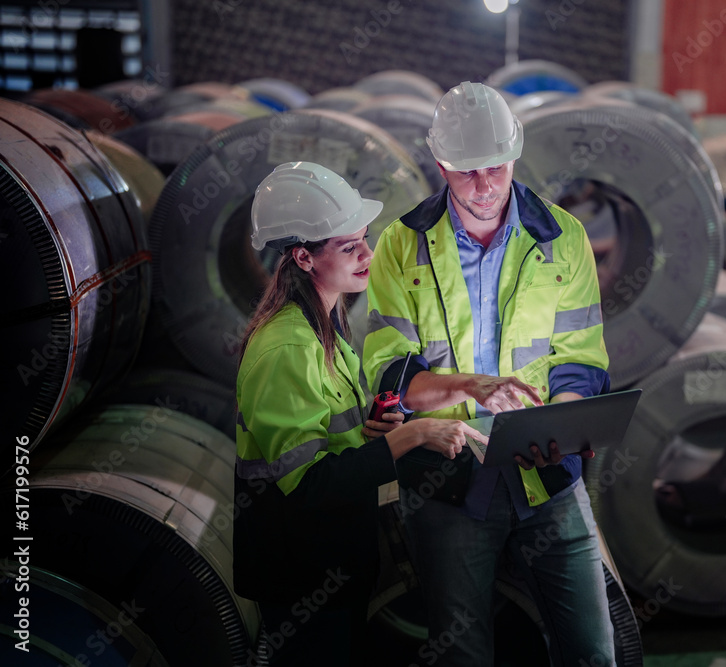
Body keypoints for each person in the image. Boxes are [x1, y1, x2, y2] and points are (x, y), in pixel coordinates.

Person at [364, 82, 616, 666]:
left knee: (593, 652)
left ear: (515, 155)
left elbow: (581, 354)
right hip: (447, 480)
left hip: (546, 474)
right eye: (466, 171)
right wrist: (470, 388)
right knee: (463, 653)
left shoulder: (562, 238)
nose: (483, 186)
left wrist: (566, 417)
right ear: (440, 163)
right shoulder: (402, 246)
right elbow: (391, 371)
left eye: (495, 168)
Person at [233, 161, 487, 666]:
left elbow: (332, 438)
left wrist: (372, 429)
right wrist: (411, 438)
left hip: (332, 558)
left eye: (364, 239)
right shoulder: (288, 345)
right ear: (304, 258)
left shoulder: (325, 324)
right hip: (300, 571)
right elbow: (306, 486)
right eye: (350, 247)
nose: (368, 255)